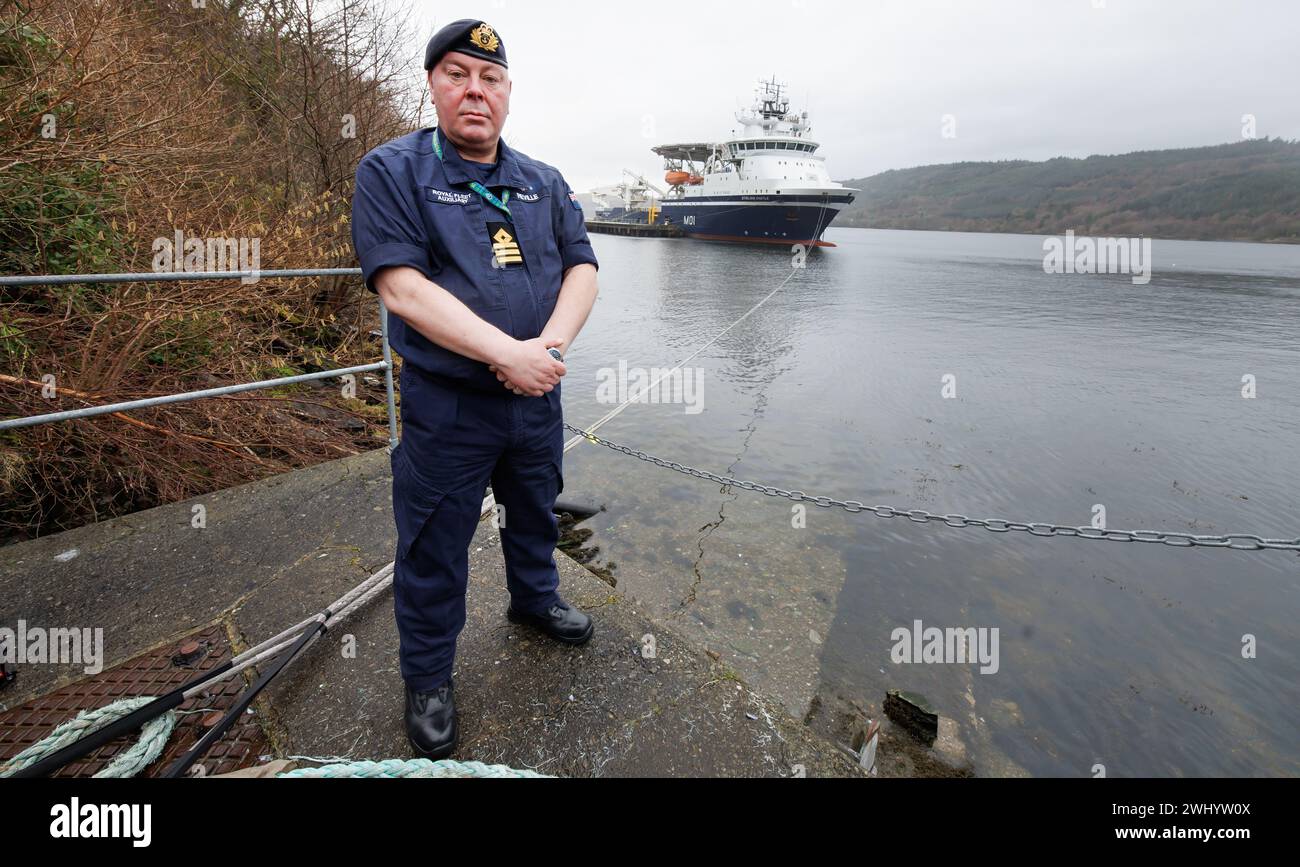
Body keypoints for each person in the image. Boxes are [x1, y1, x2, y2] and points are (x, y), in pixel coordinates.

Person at [349, 19, 600, 760]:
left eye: (490, 79)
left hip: (536, 400)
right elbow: (403, 289)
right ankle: (427, 676)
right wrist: (506, 355)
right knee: (433, 542)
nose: (475, 90)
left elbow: (583, 268)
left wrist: (546, 350)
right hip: (448, 405)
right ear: (432, 85)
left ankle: (534, 600)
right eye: (457, 74)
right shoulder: (391, 172)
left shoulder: (544, 181)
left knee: (534, 509)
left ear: (508, 93)